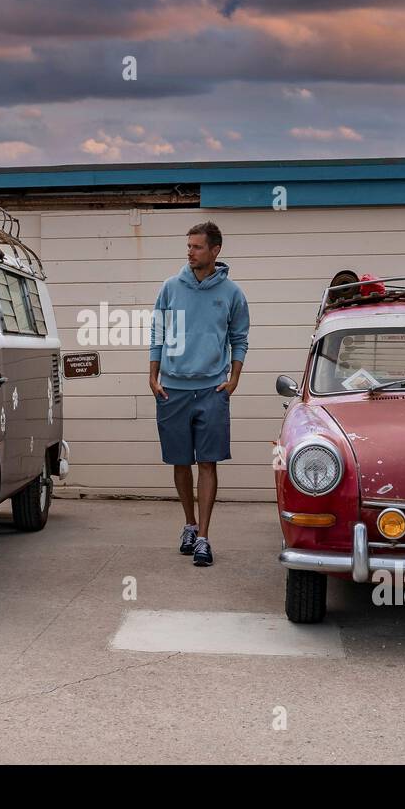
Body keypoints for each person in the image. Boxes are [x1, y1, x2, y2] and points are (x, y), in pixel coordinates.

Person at [148, 221, 249, 567]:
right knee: (180, 462)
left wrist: (233, 379)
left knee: (207, 462)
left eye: (197, 247)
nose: (190, 252)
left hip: (211, 389)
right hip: (172, 388)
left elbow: (240, 339)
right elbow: (157, 332)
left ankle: (204, 538)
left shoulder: (232, 294)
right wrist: (153, 375)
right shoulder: (170, 288)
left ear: (215, 250)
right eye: (188, 246)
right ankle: (188, 525)